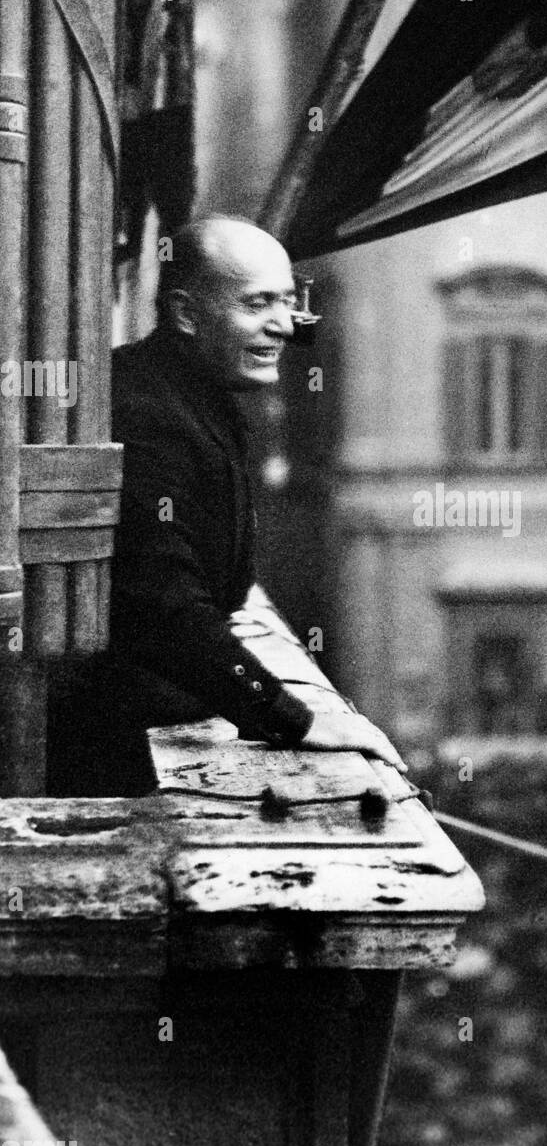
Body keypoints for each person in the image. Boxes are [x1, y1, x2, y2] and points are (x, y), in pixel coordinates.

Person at [47, 216, 404, 795]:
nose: (285, 326)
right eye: (257, 304)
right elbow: (164, 609)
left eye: (288, 302)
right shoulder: (146, 414)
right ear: (187, 314)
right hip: (99, 745)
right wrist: (293, 716)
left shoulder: (194, 394)